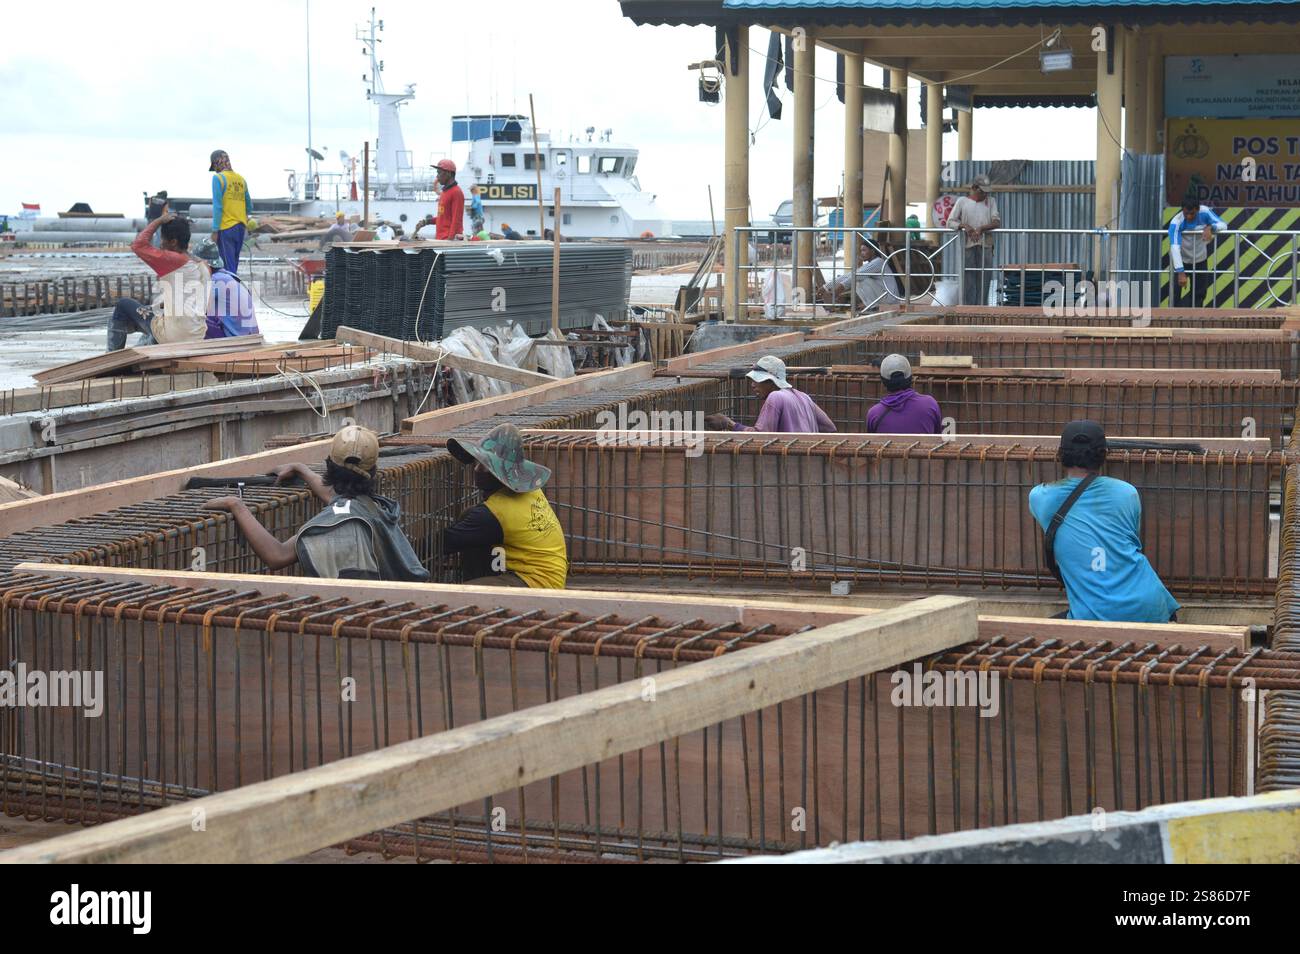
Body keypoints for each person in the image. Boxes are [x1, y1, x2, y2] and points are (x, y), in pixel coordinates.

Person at [203, 425, 430, 581]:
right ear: (373, 471)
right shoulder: (374, 507)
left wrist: (237, 506)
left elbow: (277, 556)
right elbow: (337, 498)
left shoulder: (336, 520)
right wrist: (301, 468)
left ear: (329, 466)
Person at [1028, 421, 1180, 623]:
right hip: (1151, 606)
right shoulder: (1127, 493)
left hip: (1096, 614)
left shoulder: (1041, 498)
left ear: (1060, 455)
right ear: (1103, 455)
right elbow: (1132, 540)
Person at [442, 423, 568, 588]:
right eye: (477, 464)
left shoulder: (495, 513)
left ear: (500, 475)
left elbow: (445, 542)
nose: (477, 470)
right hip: (550, 574)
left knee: (462, 594)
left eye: (486, 467)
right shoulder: (530, 491)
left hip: (536, 583)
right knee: (469, 516)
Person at [107, 211, 209, 351]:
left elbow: (138, 245)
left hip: (174, 336)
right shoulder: (202, 265)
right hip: (197, 335)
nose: (160, 244)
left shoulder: (173, 260)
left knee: (123, 305)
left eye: (162, 240)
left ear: (173, 242)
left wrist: (158, 220)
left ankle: (111, 356)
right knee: (153, 312)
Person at [705, 355, 836, 433]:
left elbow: (760, 436)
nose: (753, 384)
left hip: (787, 467)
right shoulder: (804, 397)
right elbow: (830, 428)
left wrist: (729, 424)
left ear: (772, 382)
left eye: (758, 380)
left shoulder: (776, 397)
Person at [947, 174, 1000, 306]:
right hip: (968, 246)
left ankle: (982, 308)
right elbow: (950, 222)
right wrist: (964, 225)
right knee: (968, 278)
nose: (984, 195)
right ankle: (968, 308)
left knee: (984, 278)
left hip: (985, 244)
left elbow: (996, 221)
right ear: (974, 188)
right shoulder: (962, 202)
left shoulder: (991, 201)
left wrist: (981, 228)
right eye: (982, 192)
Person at [1169, 197, 1227, 309]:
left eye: (1192, 213)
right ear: (1182, 210)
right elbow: (1175, 248)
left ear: (1198, 209)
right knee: (1174, 293)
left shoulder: (1204, 212)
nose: (1189, 217)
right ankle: (1173, 318)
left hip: (1200, 260)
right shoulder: (1176, 222)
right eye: (1186, 213)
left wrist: (1211, 227)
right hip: (1181, 261)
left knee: (1200, 293)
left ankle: (1196, 319)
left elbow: (1224, 225)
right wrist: (1180, 272)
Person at [195, 241, 259, 339]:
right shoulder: (229, 276)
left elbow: (194, 305)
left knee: (191, 317)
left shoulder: (215, 280)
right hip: (250, 336)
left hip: (236, 339)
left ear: (204, 265)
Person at [866, 355, 942, 434]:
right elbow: (938, 438)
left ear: (883, 381)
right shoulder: (930, 404)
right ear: (910, 377)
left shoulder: (874, 414)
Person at [209, 149, 254, 274]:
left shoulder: (218, 178)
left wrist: (214, 231)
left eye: (215, 166)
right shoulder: (241, 179)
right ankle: (233, 290)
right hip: (240, 228)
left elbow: (218, 207)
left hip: (226, 228)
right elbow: (249, 206)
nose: (215, 170)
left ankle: (231, 291)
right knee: (233, 263)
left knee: (227, 267)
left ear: (217, 163)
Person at [434, 159, 465, 240]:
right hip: (440, 240)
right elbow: (443, 218)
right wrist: (426, 221)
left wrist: (450, 239)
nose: (437, 176)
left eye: (439, 172)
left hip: (447, 240)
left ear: (448, 173)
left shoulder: (456, 192)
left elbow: (456, 219)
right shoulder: (444, 192)